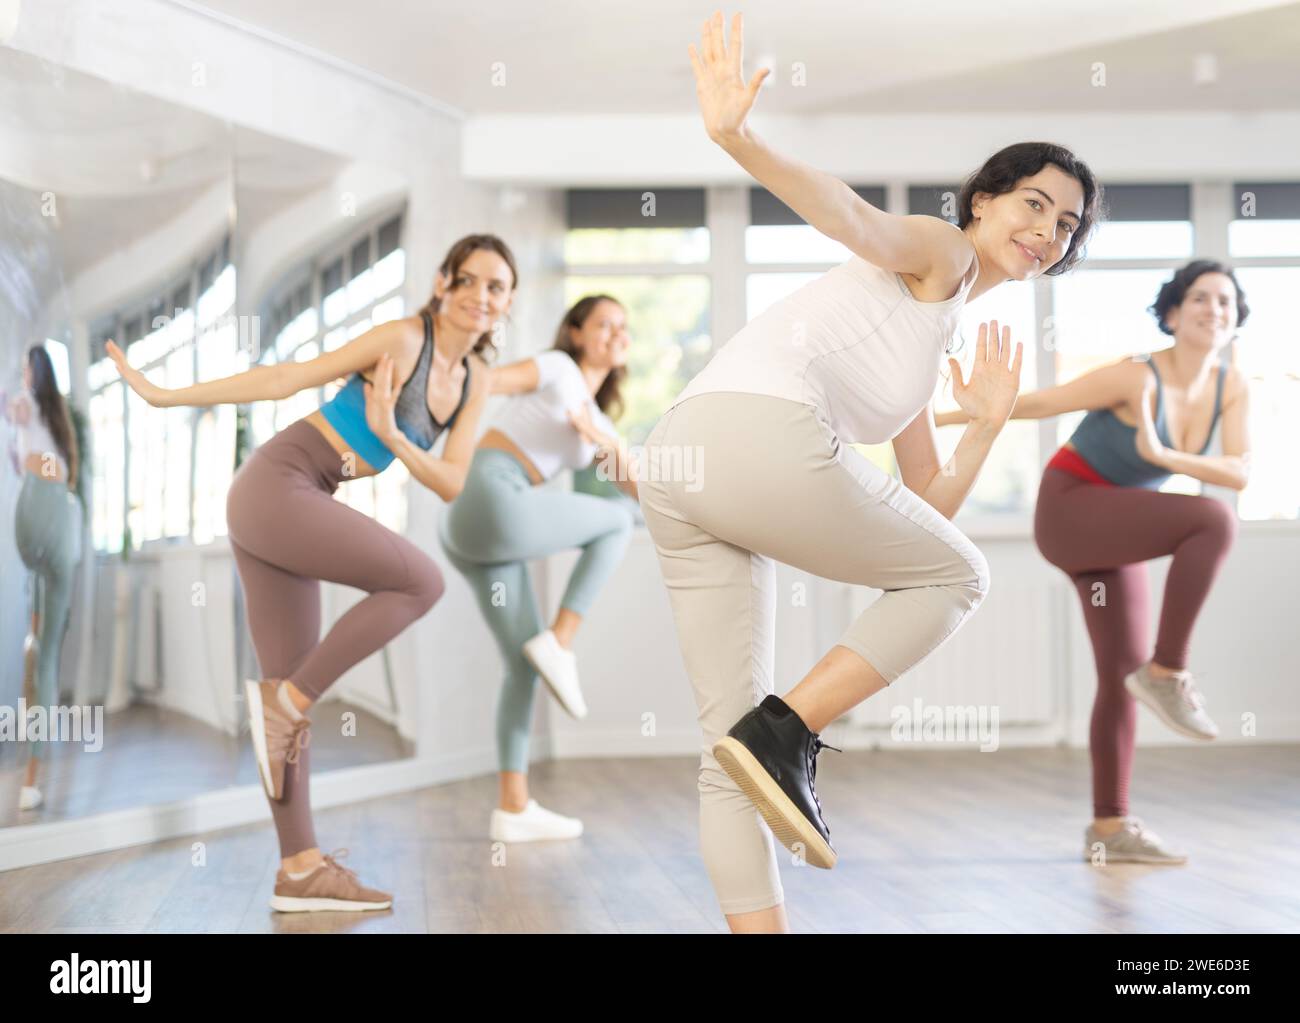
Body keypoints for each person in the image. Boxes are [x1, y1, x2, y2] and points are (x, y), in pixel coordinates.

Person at [637, 11, 1100, 932]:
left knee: (725, 753)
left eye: (1067, 224)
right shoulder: (944, 255)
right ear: (984, 202)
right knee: (963, 575)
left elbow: (926, 503)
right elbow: (850, 216)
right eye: (1034, 203)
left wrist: (991, 425)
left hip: (683, 462)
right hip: (752, 434)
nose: (1046, 230)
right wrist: (739, 137)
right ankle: (789, 730)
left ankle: (767, 750)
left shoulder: (933, 332)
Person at [106, 234, 516, 911]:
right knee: (422, 581)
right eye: (469, 280)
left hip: (297, 505)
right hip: (277, 485)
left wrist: (389, 435)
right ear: (443, 283)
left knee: (285, 697)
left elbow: (448, 481)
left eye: (497, 287)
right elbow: (284, 378)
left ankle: (298, 867)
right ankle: (289, 702)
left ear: (507, 302)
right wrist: (165, 395)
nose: (481, 296)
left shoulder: (475, 381)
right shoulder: (403, 339)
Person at [939, 259, 1250, 864]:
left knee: (1118, 677)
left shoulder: (1231, 386)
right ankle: (1168, 673)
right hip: (1072, 509)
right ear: (1173, 313)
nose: (1215, 308)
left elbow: (1241, 470)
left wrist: (1166, 456)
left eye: (1226, 301)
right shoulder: (1137, 377)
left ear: (1235, 319)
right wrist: (943, 415)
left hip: (1116, 526)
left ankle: (1109, 827)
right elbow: (1039, 403)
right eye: (1201, 299)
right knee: (1212, 520)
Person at [440, 294, 638, 843]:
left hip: (474, 530)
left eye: (623, 327)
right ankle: (562, 640)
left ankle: (513, 808)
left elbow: (642, 490)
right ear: (575, 331)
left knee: (521, 667)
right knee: (615, 521)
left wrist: (603, 441)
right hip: (489, 492)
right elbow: (482, 383)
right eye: (604, 323)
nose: (616, 333)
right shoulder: (558, 369)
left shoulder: (596, 418)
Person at [3, 344, 82, 812]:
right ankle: (34, 776)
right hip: (64, 531)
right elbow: (59, 472)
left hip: (38, 520)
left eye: (25, 368)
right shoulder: (58, 426)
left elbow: (15, 409)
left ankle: (30, 774)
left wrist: (7, 401)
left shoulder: (28, 404)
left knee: (35, 654)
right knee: (47, 655)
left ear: (35, 372)